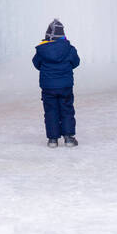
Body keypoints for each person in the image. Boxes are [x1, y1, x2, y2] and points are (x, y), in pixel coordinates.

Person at [32, 19, 80, 147]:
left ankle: (53, 139)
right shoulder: (69, 49)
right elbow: (76, 62)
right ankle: (69, 138)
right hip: (65, 85)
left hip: (48, 86)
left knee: (51, 111)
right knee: (67, 109)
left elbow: (36, 64)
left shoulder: (42, 50)